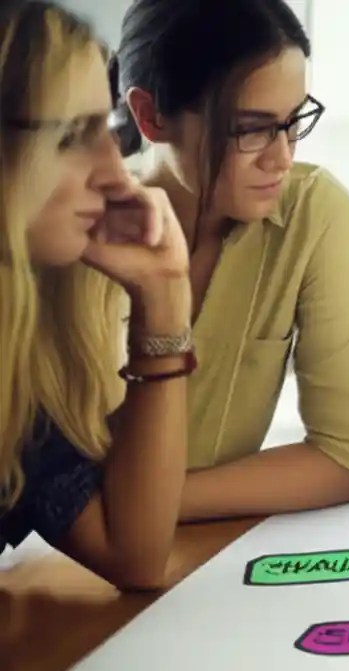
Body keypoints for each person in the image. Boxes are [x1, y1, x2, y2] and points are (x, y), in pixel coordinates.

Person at [110, 0, 349, 521]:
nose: (281, 157)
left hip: (199, 548)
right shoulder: (76, 226)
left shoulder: (313, 209)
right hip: (61, 561)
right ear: (150, 116)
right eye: (251, 129)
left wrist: (142, 509)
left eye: (292, 121)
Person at [0, 1, 190, 590]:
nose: (115, 175)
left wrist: (164, 293)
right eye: (69, 137)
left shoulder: (17, 360)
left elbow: (132, 554)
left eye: (105, 131)